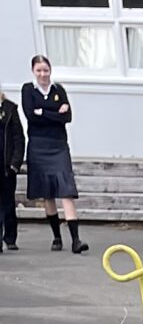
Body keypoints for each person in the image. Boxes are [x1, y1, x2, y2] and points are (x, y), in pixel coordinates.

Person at [22, 57, 85, 253]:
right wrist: (54, 113)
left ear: (51, 70)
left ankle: (76, 239)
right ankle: (56, 237)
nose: (43, 74)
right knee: (47, 192)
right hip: (38, 145)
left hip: (58, 145)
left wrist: (44, 112)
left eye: (46, 70)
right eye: (39, 70)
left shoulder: (59, 90)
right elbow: (31, 115)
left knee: (66, 189)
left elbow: (68, 117)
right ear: (33, 71)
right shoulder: (28, 90)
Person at [0, 85, 20, 252]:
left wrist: (15, 163)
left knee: (8, 202)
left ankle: (10, 237)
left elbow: (18, 137)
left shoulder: (10, 108)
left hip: (6, 164)